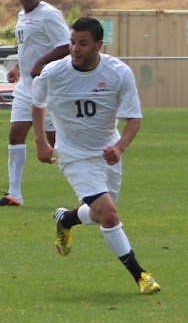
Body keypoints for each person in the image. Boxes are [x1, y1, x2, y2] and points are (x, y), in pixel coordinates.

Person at [32, 17, 160, 295]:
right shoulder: (54, 72)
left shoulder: (118, 73)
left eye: (82, 43)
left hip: (107, 152)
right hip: (74, 154)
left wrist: (119, 147)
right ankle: (141, 275)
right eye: (72, 42)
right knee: (109, 215)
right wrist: (41, 141)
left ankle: (66, 219)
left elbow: (134, 119)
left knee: (102, 213)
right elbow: (37, 102)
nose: (75, 49)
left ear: (99, 45)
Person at [0, 0, 71, 207]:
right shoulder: (22, 16)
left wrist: (41, 63)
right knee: (15, 133)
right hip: (25, 86)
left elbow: (66, 46)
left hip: (47, 85)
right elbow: (28, 47)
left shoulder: (49, 15)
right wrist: (17, 66)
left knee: (57, 141)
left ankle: (90, 190)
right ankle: (15, 195)